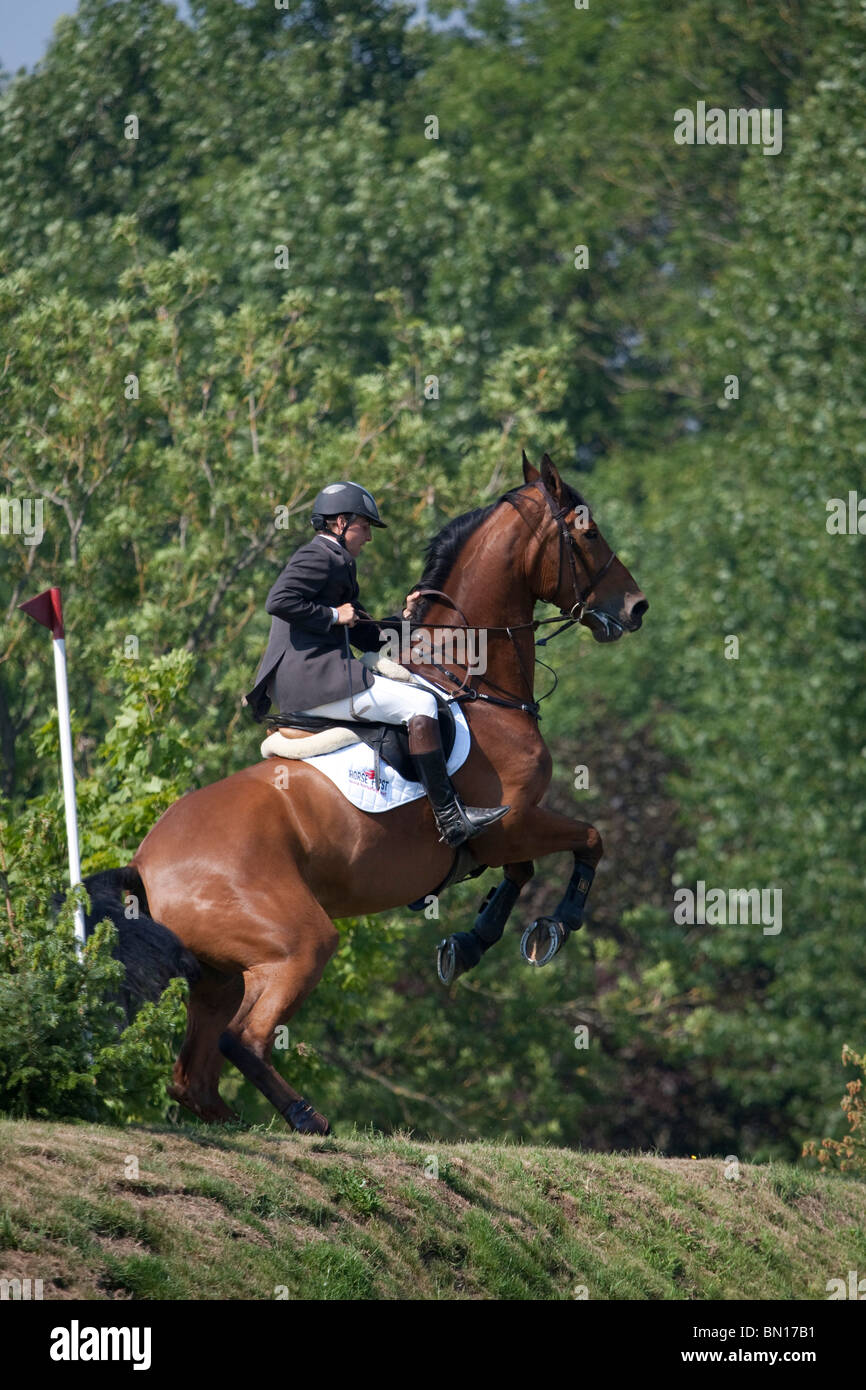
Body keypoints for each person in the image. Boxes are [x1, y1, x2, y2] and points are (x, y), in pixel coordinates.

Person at [244, 481, 509, 847]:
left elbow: (365, 633)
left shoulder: (338, 562)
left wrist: (409, 621)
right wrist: (334, 614)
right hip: (315, 680)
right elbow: (279, 600)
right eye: (364, 526)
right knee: (421, 703)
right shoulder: (318, 556)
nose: (368, 536)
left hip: (318, 677)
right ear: (340, 523)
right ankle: (450, 817)